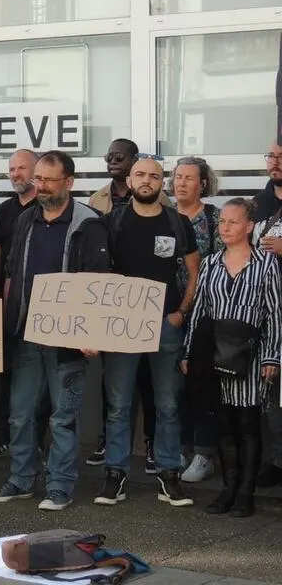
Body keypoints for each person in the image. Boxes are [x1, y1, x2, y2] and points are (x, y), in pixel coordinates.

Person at [0, 151, 110, 511]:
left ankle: (59, 486)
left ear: (68, 183)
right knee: (20, 414)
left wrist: (92, 333)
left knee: (63, 417)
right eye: (37, 179)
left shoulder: (89, 223)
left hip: (67, 340)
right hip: (26, 333)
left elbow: (97, 283)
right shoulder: (25, 219)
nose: (39, 186)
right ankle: (21, 479)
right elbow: (12, 273)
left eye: (47, 181)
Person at [97, 157, 197, 509]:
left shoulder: (178, 222)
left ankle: (169, 475)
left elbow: (193, 271)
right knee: (118, 405)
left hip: (165, 328)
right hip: (123, 329)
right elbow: (99, 273)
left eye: (154, 176)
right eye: (140, 174)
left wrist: (181, 312)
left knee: (168, 404)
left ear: (161, 183)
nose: (146, 180)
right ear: (130, 178)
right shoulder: (113, 222)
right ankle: (115, 474)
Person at [185, 198, 282, 517]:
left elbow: (274, 314)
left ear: (249, 226)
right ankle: (227, 489)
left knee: (248, 425)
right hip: (216, 355)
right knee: (223, 426)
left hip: (251, 357)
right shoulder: (211, 263)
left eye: (233, 222)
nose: (225, 228)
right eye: (222, 222)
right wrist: (190, 353)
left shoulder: (266, 264)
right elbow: (200, 311)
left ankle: (245, 493)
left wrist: (272, 356)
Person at [0, 150, 40, 463]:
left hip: (43, 305)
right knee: (10, 372)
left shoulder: (49, 207)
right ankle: (4, 434)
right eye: (11, 170)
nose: (16, 174)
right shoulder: (6, 209)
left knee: (43, 375)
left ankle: (38, 442)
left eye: (22, 169)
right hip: (8, 303)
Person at [170, 156, 222, 483]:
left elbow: (219, 265)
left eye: (189, 178)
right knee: (173, 386)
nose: (181, 183)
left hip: (204, 314)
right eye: (177, 177)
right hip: (168, 314)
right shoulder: (163, 216)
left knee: (201, 384)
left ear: (202, 183)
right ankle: (179, 447)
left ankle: (204, 453)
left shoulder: (214, 219)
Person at [252, 142, 282, 489]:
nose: (274, 163)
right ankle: (276, 460)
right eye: (271, 156)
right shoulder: (260, 202)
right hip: (261, 307)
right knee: (270, 391)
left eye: (280, 158)